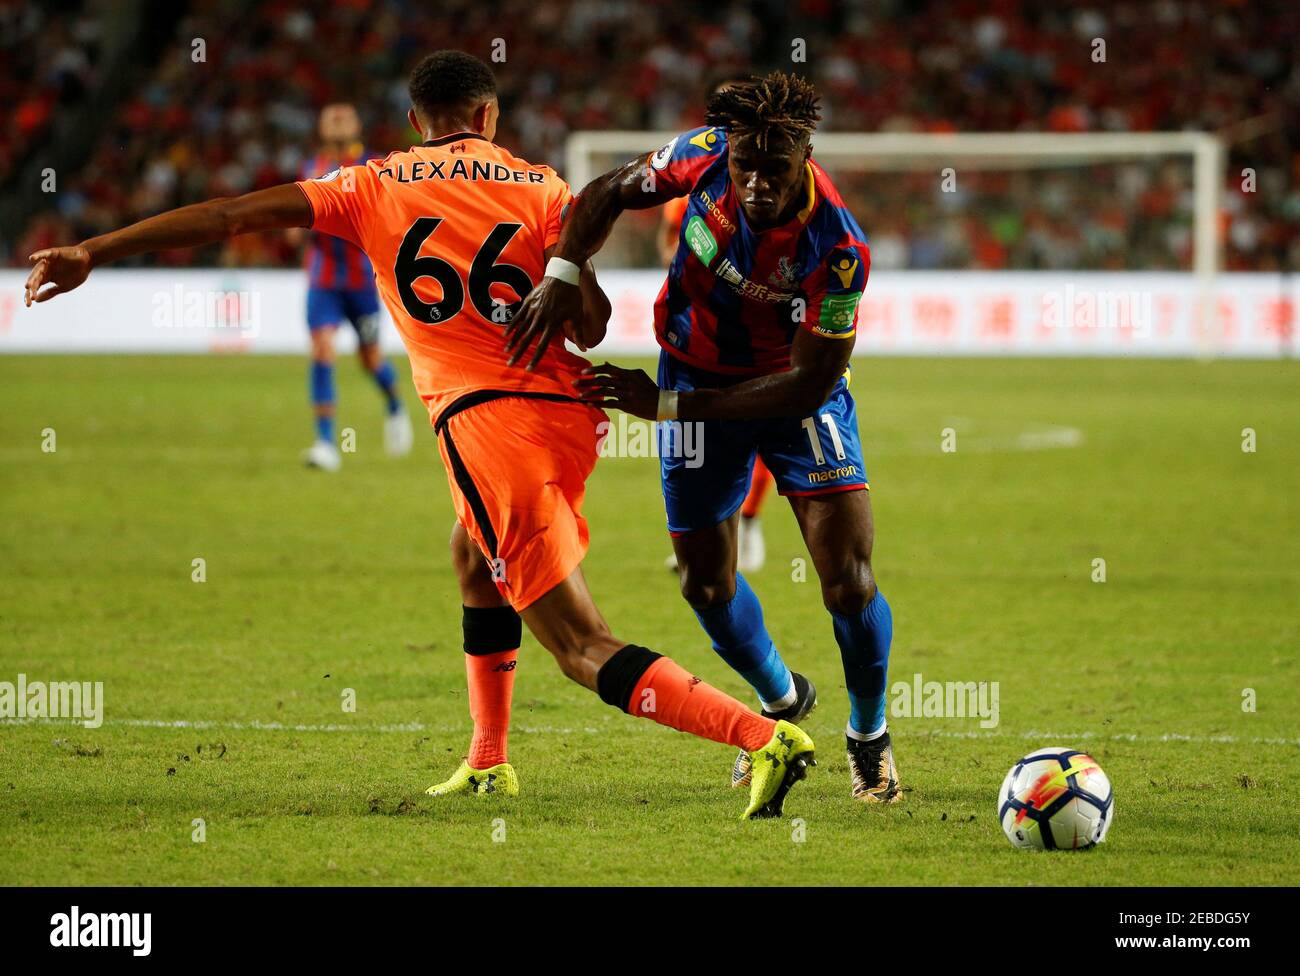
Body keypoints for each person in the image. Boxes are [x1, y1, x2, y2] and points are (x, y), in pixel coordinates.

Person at [24, 50, 815, 820]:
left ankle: (759, 734)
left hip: (484, 424)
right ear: (488, 117)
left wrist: (97, 247)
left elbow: (230, 216)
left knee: (579, 643)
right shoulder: (542, 185)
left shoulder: (368, 184)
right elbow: (593, 320)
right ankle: (488, 761)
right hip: (567, 414)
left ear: (414, 121)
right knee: (473, 557)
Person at [507, 71, 901, 803]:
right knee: (705, 581)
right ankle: (783, 702)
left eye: (773, 170)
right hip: (690, 372)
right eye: (746, 164)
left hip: (788, 397)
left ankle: (869, 737)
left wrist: (668, 408)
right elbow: (603, 193)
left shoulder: (837, 249)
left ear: (805, 156)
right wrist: (564, 269)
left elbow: (811, 384)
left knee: (848, 581)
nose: (754, 182)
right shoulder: (704, 154)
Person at [659, 76, 772, 575]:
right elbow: (669, 243)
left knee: (761, 426)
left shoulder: (768, 186)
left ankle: (748, 524)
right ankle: (702, 543)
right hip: (700, 332)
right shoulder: (688, 185)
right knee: (691, 438)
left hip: (760, 335)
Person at [298, 102, 412, 471]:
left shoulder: (375, 166)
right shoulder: (310, 169)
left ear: (357, 124)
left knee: (370, 358)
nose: (336, 122)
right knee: (322, 350)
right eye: (329, 117)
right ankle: (326, 443)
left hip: (362, 281)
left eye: (343, 117)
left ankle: (395, 406)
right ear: (320, 125)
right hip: (323, 281)